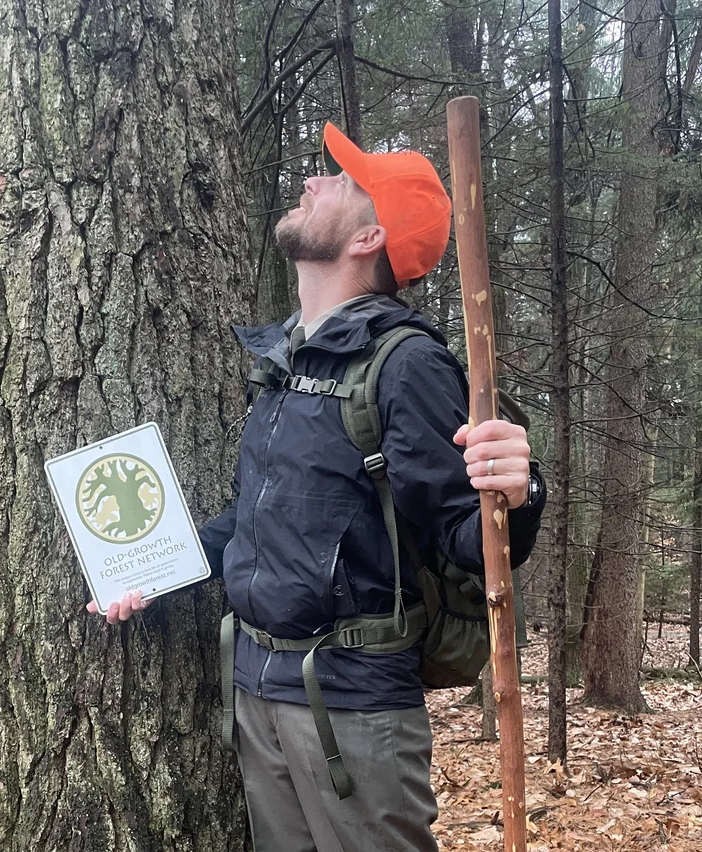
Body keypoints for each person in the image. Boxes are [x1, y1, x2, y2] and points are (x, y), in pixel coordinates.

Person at [90, 123, 545, 852]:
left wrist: (519, 491)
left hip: (353, 709)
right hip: (256, 691)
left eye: (344, 181)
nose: (314, 180)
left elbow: (470, 538)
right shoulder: (289, 358)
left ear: (369, 238)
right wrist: (148, 569)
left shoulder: (406, 365)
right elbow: (254, 520)